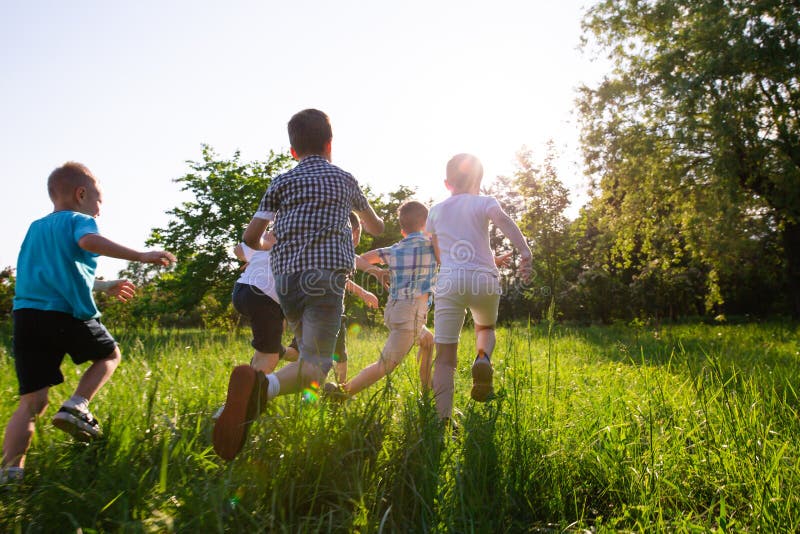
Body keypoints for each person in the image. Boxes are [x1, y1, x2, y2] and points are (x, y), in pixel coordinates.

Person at [213, 109, 384, 461]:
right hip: (325, 279)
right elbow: (378, 227)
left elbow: (250, 237)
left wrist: (269, 245)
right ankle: (261, 389)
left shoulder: (281, 182)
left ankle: (248, 398)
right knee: (318, 368)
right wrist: (362, 221)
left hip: (288, 282)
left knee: (306, 356)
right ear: (330, 144)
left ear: (293, 151)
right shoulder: (344, 179)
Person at [1, 162, 176, 483]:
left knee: (32, 403)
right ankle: (77, 405)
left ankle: (10, 475)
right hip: (64, 313)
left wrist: (104, 285)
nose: (99, 210)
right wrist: (140, 255)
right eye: (99, 201)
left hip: (27, 318)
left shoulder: (35, 228)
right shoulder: (81, 220)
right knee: (110, 355)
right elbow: (87, 242)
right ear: (82, 194)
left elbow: (56, 273)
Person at [425, 153, 532, 423]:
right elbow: (504, 220)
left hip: (449, 281)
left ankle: (442, 422)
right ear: (479, 182)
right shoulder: (485, 202)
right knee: (485, 328)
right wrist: (524, 251)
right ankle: (483, 357)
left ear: (447, 183)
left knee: (445, 359)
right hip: (484, 279)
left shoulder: (435, 211)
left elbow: (439, 254)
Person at [336, 200, 436, 397]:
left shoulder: (395, 249)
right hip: (411, 312)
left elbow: (361, 258)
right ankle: (342, 393)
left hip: (394, 310)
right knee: (385, 365)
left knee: (428, 341)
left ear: (402, 230)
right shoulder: (431, 246)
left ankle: (427, 393)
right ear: (426, 223)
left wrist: (378, 272)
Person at [287, 212, 382, 385]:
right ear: (353, 232)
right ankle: (339, 390)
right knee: (340, 356)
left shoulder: (320, 249)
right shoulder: (340, 250)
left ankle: (274, 352)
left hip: (306, 307)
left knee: (297, 351)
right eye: (358, 233)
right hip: (329, 312)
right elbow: (352, 265)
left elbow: (342, 278)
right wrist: (372, 281)